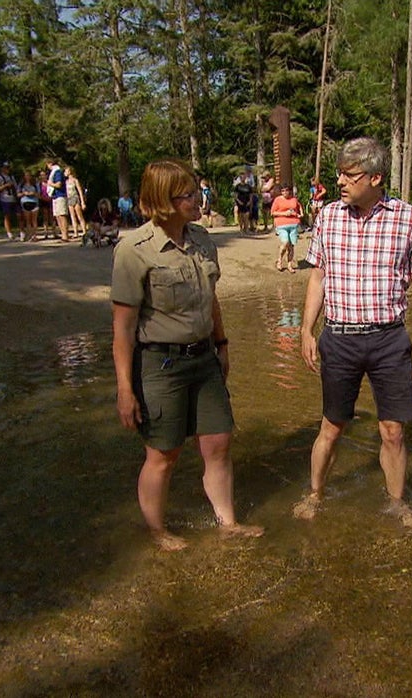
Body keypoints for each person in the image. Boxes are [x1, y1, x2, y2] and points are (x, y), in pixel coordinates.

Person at [111, 158, 264, 551]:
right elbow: (123, 328)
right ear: (164, 200)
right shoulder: (133, 251)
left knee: (219, 443)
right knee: (164, 453)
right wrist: (125, 391)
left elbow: (210, 298)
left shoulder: (202, 239)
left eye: (196, 191)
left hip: (205, 359)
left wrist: (223, 343)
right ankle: (158, 532)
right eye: (189, 194)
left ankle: (227, 523)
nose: (198, 199)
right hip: (160, 365)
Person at [294, 137, 412, 533]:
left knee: (392, 430)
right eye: (339, 173)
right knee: (332, 425)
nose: (340, 181)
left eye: (350, 175)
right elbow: (318, 277)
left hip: (389, 340)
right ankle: (315, 494)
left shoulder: (408, 218)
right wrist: (306, 330)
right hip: (338, 338)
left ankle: (396, 503)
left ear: (376, 177)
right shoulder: (327, 217)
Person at [271, 183, 303, 272]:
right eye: (282, 190)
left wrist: (301, 214)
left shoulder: (293, 199)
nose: (285, 192)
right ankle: (280, 260)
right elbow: (273, 212)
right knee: (285, 242)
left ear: (289, 191)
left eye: (286, 190)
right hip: (282, 224)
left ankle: (289, 265)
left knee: (291, 246)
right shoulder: (277, 200)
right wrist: (284, 214)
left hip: (293, 224)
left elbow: (299, 206)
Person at [45, 157, 70, 242]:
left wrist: (50, 183)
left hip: (60, 195)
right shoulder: (54, 172)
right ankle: (63, 234)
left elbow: (59, 184)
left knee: (62, 215)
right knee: (57, 216)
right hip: (55, 196)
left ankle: (65, 235)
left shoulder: (57, 172)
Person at [0, 161, 19, 240]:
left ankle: (21, 231)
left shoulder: (12, 177)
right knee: (7, 216)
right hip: (5, 199)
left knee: (19, 215)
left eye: (8, 168)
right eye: (5, 168)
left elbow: (16, 187)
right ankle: (9, 233)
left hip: (13, 198)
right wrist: (5, 186)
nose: (7, 169)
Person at [65, 166, 87, 239]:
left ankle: (84, 231)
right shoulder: (66, 182)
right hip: (69, 199)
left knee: (79, 215)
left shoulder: (75, 180)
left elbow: (80, 191)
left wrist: (82, 202)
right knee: (72, 216)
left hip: (75, 197)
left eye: (66, 171)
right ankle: (75, 232)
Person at [17, 171, 40, 241]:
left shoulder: (35, 184)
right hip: (25, 202)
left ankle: (34, 235)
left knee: (34, 220)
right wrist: (24, 193)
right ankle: (30, 235)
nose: (27, 177)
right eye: (26, 175)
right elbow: (18, 195)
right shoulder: (21, 185)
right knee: (28, 221)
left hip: (34, 202)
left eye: (29, 175)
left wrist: (33, 193)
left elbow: (39, 195)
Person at [233, 169, 256, 234]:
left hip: (247, 202)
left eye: (243, 177)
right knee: (240, 216)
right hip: (240, 202)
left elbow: (251, 195)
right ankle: (241, 228)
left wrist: (250, 201)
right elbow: (235, 195)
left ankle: (246, 228)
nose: (242, 178)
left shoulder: (248, 186)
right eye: (241, 177)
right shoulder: (237, 186)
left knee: (246, 216)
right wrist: (238, 201)